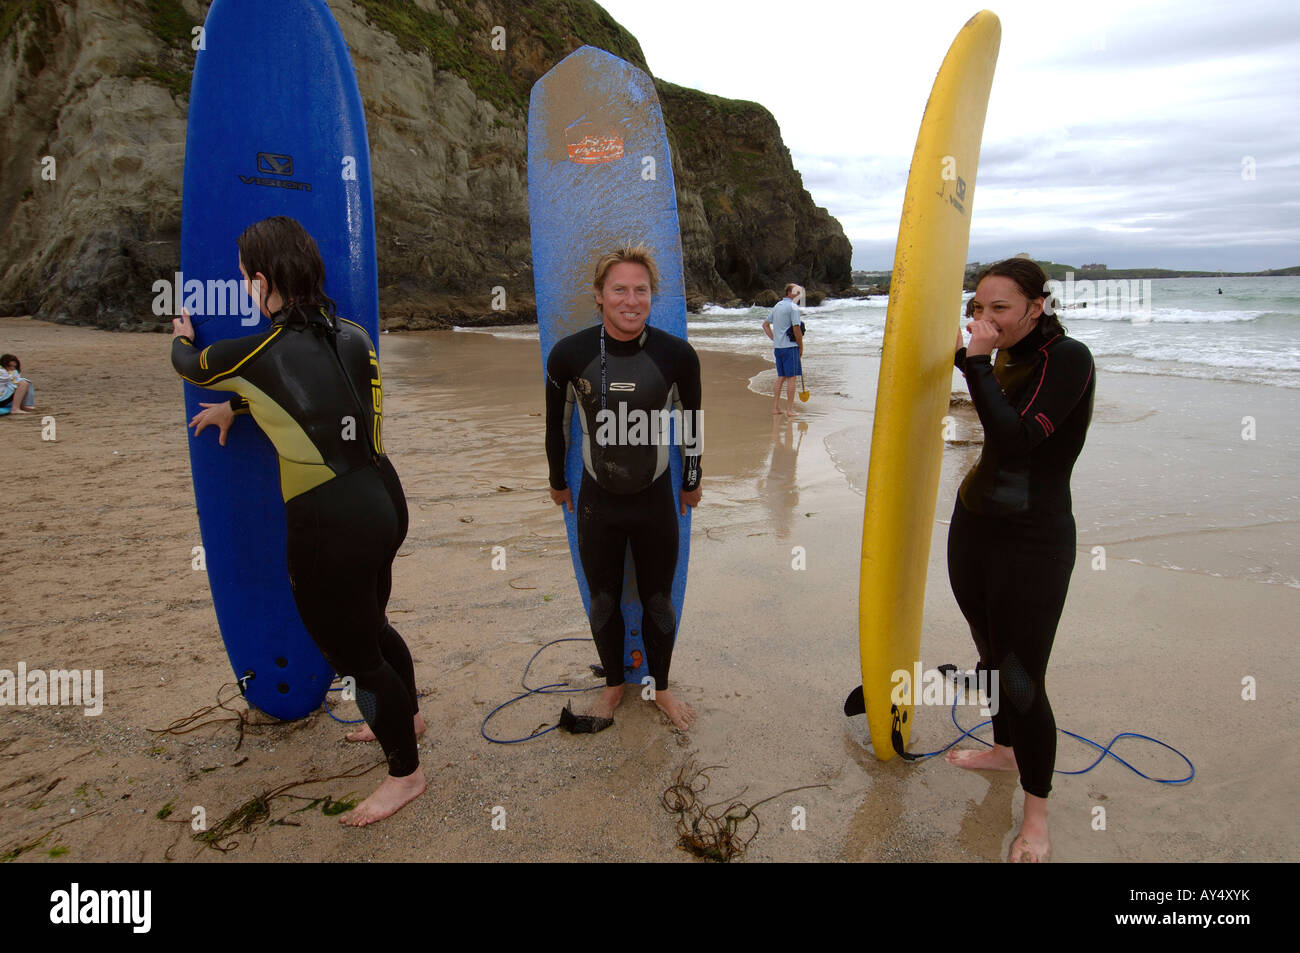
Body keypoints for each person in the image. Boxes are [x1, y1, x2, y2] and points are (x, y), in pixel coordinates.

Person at [170, 216, 424, 826]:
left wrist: (181, 333)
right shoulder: (355, 335)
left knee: (354, 654)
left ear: (260, 281)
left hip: (330, 519)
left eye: (242, 279)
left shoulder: (254, 350)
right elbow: (322, 397)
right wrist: (240, 403)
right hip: (385, 498)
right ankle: (407, 717)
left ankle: (406, 775)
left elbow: (190, 363)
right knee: (374, 623)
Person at [945, 257, 1095, 863]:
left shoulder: (1069, 358)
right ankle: (1005, 747)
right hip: (975, 525)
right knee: (988, 651)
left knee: (1022, 675)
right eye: (977, 308)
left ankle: (1036, 815)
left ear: (1038, 306)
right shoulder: (996, 350)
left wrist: (976, 360)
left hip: (1034, 538)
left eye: (999, 308)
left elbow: (1014, 440)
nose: (986, 319)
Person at [544, 245, 702, 731]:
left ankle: (662, 686)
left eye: (641, 290)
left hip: (656, 499)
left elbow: (691, 423)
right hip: (597, 502)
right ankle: (614, 684)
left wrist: (692, 480)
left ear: (652, 296)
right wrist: (557, 480)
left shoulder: (677, 355)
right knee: (604, 599)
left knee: (658, 599)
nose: (631, 300)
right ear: (599, 296)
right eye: (619, 290)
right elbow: (557, 425)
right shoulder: (569, 354)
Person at [763, 284, 804, 417]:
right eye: (797, 292)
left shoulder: (777, 306)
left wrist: (775, 339)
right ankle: (790, 410)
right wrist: (801, 346)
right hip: (790, 347)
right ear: (789, 293)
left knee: (781, 377)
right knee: (791, 378)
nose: (799, 294)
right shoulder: (793, 307)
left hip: (779, 347)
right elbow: (796, 328)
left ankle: (776, 407)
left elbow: (765, 325)